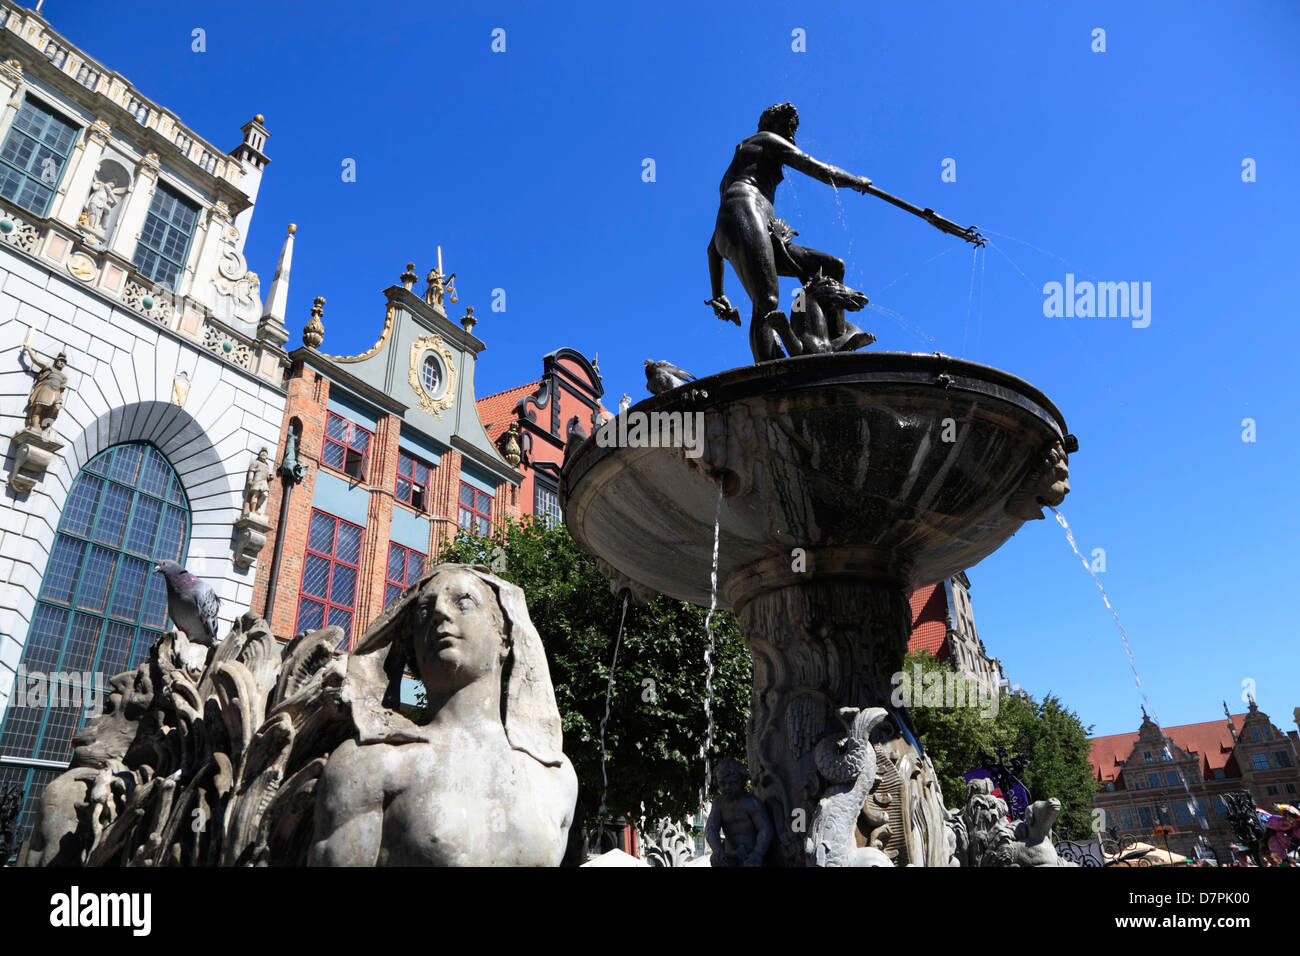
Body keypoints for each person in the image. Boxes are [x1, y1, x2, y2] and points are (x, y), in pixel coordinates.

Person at [308, 564, 577, 866]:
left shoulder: (555, 775)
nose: (439, 614)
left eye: (463, 603)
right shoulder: (370, 764)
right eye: (424, 611)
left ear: (504, 636)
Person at [706, 103, 875, 362]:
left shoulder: (735, 176)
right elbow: (820, 169)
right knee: (766, 301)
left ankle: (831, 339)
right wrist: (855, 181)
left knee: (829, 267)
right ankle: (767, 372)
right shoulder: (766, 140)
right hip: (748, 214)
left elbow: (713, 248)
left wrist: (719, 294)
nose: (792, 137)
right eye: (788, 128)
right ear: (771, 126)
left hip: (749, 225)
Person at [22, 344, 68, 433]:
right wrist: (29, 350)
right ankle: (35, 427)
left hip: (56, 393)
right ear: (56, 361)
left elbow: (62, 389)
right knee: (39, 408)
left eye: (64, 362)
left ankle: (45, 425)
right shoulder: (49, 368)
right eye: (60, 361)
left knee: (56, 408)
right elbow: (36, 361)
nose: (62, 363)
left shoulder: (64, 377)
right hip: (46, 389)